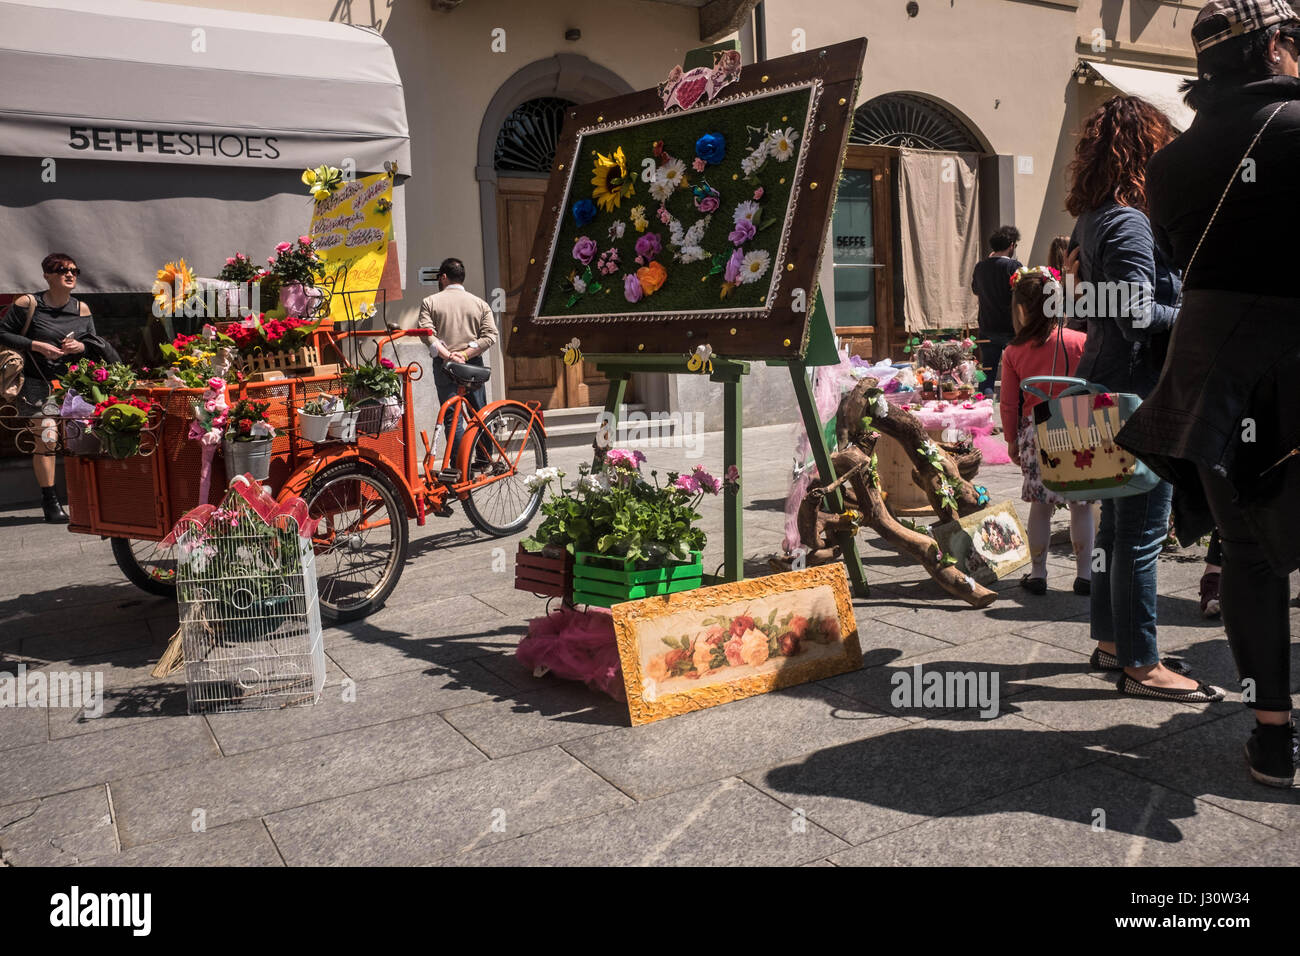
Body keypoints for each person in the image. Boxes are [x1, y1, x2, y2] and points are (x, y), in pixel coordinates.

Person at [1119, 0, 1300, 786]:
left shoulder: (1168, 165)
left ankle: (1271, 739)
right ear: (1273, 45)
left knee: (1252, 562)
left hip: (1213, 382)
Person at [1065, 95, 1225, 703]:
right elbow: (1137, 316)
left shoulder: (1095, 218)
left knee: (1115, 528)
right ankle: (1140, 662)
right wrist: (1197, 308)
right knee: (1138, 533)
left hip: (1102, 386)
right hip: (1136, 396)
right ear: (1145, 150)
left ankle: (1112, 641)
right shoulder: (1130, 222)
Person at [998, 265, 1094, 597]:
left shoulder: (1013, 352)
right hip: (1078, 429)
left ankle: (1038, 573)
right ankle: (1085, 575)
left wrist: (1011, 439)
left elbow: (1009, 403)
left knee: (1041, 506)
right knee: (1081, 506)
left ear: (1021, 309)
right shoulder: (1082, 341)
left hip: (1035, 432)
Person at [0, 253, 96, 523]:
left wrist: (81, 347)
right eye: (62, 270)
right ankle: (50, 500)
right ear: (46, 275)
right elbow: (2, 332)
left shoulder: (82, 309)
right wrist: (35, 345)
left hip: (72, 384)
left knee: (84, 439)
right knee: (48, 437)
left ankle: (86, 496)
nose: (70, 274)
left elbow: (93, 343)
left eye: (74, 270)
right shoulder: (29, 303)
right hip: (36, 382)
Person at [416, 257, 498, 454]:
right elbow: (490, 335)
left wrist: (449, 356)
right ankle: (484, 458)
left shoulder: (430, 302)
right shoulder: (480, 303)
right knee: (479, 412)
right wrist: (465, 354)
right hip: (472, 364)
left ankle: (459, 465)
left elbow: (426, 333)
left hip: (445, 365)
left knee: (452, 416)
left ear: (443, 277)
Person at [969, 225, 1021, 398]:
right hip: (1011, 327)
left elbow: (976, 290)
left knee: (987, 373)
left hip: (987, 325)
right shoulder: (1014, 266)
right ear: (1012, 245)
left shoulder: (980, 267)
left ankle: (985, 405)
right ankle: (1015, 405)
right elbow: (1023, 293)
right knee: (1017, 370)